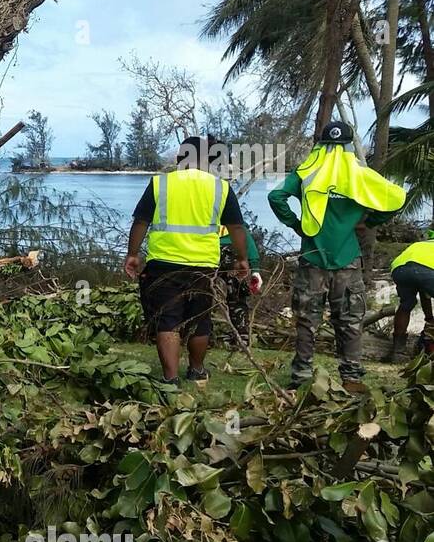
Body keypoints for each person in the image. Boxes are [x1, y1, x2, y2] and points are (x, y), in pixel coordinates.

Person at [268, 120, 406, 391]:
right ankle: (351, 376)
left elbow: (276, 197)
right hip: (348, 260)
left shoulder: (308, 171)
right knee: (350, 321)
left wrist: (297, 224)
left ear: (321, 144)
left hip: (313, 258)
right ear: (348, 146)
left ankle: (301, 377)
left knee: (307, 322)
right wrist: (371, 221)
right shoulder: (359, 175)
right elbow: (397, 198)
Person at [124, 137, 250, 385]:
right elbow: (236, 226)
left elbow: (140, 222)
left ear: (180, 158)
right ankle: (196, 370)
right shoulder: (220, 187)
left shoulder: (160, 183)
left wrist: (132, 255)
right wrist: (242, 259)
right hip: (203, 266)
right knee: (200, 319)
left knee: (168, 321)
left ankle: (170, 378)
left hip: (164, 263)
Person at [388, 231, 434, 362]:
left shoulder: (420, 245)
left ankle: (397, 352)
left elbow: (425, 295)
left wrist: (429, 318)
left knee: (406, 305)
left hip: (400, 269)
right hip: (427, 270)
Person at [218, 223, 263, 346]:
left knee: (202, 295)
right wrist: (255, 270)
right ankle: (241, 336)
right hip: (234, 253)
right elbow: (246, 239)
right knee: (237, 297)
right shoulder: (233, 218)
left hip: (205, 251)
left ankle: (199, 334)